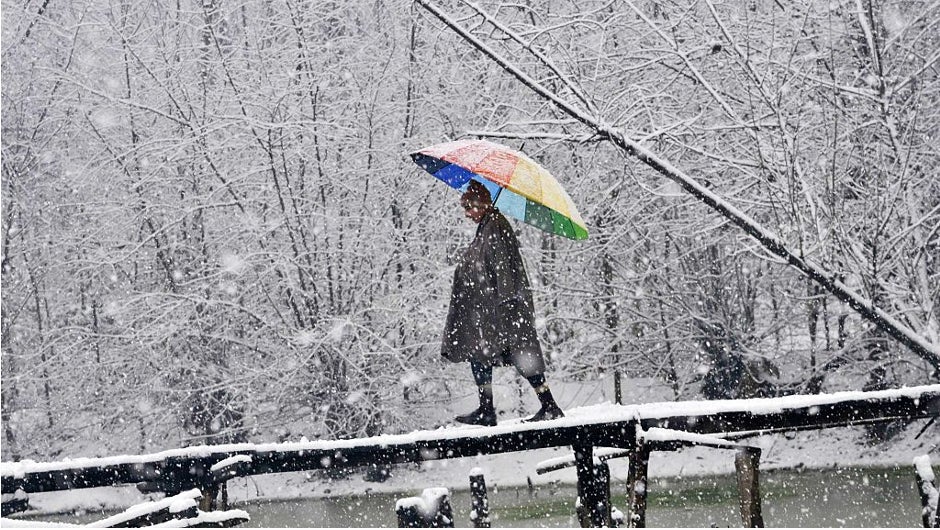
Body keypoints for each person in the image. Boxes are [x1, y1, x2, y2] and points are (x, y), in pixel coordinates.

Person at [441, 180, 564, 426]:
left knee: (520, 354)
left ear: (481, 204)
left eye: (468, 207)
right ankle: (487, 409)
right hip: (490, 310)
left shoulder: (496, 226)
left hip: (503, 310)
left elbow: (503, 267)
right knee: (480, 353)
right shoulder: (487, 226)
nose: (466, 213)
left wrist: (506, 304)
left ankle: (548, 405)